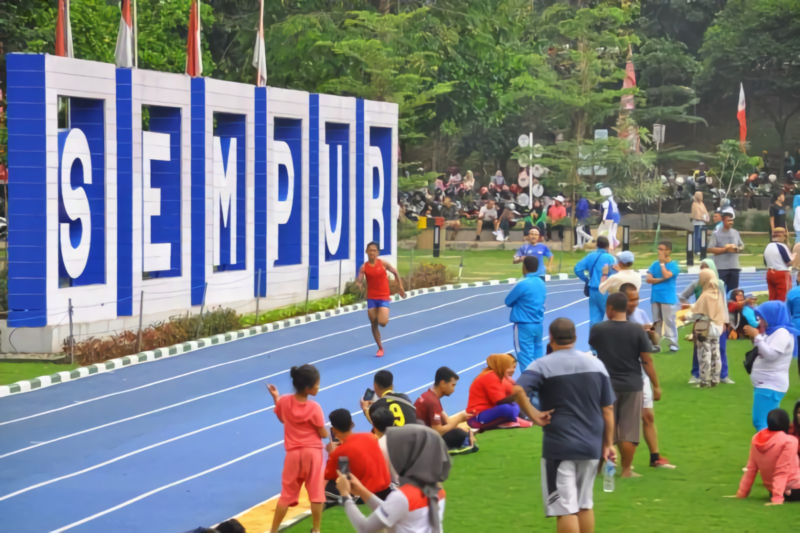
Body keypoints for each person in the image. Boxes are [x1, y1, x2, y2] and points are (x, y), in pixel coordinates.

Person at [517, 318, 616, 533]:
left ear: (551, 337)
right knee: (585, 504)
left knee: (564, 509)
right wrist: (608, 444)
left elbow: (517, 390)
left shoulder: (541, 365)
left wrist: (534, 415)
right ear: (575, 337)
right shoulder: (596, 364)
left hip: (559, 446)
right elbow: (608, 408)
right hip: (591, 445)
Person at [589, 292, 661, 478]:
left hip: (605, 383)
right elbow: (647, 360)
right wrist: (656, 385)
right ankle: (626, 470)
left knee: (604, 427)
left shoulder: (598, 329)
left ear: (610, 309)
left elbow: (594, 348)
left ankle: (598, 468)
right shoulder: (637, 331)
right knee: (628, 430)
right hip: (632, 383)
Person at [336, 425, 450, 532]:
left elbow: (365, 528)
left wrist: (345, 496)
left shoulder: (403, 497)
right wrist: (362, 491)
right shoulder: (436, 488)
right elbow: (393, 510)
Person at [266, 365, 328, 533]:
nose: (318, 387)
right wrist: (327, 431)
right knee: (316, 493)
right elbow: (322, 433)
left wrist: (276, 397)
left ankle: (273, 530)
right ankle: (316, 529)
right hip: (312, 454)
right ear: (308, 387)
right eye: (317, 384)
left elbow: (282, 418)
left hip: (293, 454)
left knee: (286, 495)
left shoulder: (284, 400)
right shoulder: (314, 407)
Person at [619, 283, 675, 468]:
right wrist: (636, 332)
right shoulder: (613, 317)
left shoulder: (640, 314)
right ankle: (623, 462)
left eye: (637, 299)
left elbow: (655, 343)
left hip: (641, 374)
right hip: (622, 376)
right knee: (624, 421)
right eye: (631, 300)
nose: (635, 303)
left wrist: (651, 333)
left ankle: (655, 458)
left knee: (648, 416)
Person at [743, 301, 797, 431]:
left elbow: (771, 355)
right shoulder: (774, 332)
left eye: (762, 317)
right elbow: (763, 349)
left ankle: (769, 444)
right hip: (767, 384)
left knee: (761, 422)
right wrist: (756, 337)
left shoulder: (782, 333)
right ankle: (775, 443)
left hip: (771, 385)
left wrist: (757, 336)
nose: (760, 320)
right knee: (768, 422)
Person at [680, 259, 733, 384]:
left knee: (715, 350)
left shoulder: (717, 286)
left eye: (706, 267)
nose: (703, 270)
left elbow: (722, 304)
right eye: (702, 267)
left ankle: (718, 376)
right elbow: (683, 296)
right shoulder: (699, 284)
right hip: (706, 321)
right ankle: (700, 375)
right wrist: (690, 307)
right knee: (704, 350)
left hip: (713, 321)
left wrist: (725, 321)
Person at [466, 354, 551, 430]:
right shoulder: (490, 376)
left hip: (490, 412)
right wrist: (516, 397)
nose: (513, 370)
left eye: (514, 367)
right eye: (510, 367)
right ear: (502, 365)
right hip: (476, 418)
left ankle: (512, 420)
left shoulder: (503, 377)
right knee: (508, 408)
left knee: (518, 403)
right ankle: (518, 419)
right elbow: (499, 402)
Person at [324, 409, 392, 504]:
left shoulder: (339, 452)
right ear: (352, 424)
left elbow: (329, 475)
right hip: (386, 488)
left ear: (334, 430)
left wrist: (331, 454)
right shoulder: (370, 437)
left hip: (366, 495)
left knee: (328, 487)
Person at [735, 409, 800, 505]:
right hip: (794, 489)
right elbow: (782, 470)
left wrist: (741, 493)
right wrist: (777, 498)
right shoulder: (789, 441)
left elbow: (751, 469)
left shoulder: (757, 438)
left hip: (772, 490)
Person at [356, 242, 407, 357]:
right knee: (373, 323)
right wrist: (358, 285)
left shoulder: (383, 263)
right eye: (370, 250)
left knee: (382, 323)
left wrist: (400, 287)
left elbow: (395, 272)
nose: (372, 252)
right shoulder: (364, 267)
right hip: (371, 298)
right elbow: (359, 280)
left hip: (383, 296)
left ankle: (383, 314)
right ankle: (380, 348)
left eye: (374, 250)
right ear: (366, 252)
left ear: (378, 252)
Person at [414, 366, 477, 455]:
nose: (454, 389)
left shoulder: (429, 395)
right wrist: (460, 419)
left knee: (462, 432)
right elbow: (438, 431)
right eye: (452, 385)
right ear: (443, 383)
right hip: (423, 441)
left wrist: (466, 428)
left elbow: (447, 421)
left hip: (418, 436)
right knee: (459, 435)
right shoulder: (432, 401)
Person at [505, 256, 547, 370]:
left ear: (524, 267)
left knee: (525, 357)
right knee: (538, 357)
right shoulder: (541, 282)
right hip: (538, 324)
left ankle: (528, 381)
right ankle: (540, 380)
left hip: (523, 325)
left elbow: (508, 301)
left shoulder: (522, 283)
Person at [687, 269, 726, 388]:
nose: (700, 280)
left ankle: (704, 381)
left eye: (701, 277)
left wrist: (686, 316)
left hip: (705, 328)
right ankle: (715, 379)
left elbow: (697, 314)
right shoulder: (718, 295)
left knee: (705, 355)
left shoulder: (705, 296)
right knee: (716, 354)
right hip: (717, 327)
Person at [574, 236, 617, 328]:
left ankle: (594, 336)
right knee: (613, 316)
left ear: (597, 245)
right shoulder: (611, 258)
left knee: (594, 318)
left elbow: (577, 269)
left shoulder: (590, 256)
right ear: (608, 246)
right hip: (606, 291)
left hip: (593, 290)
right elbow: (616, 275)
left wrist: (587, 279)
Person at [646, 241, 681, 352]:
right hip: (655, 296)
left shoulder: (674, 265)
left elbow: (667, 274)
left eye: (662, 249)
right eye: (659, 249)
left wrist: (662, 264)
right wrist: (661, 280)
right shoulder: (654, 264)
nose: (659, 251)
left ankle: (673, 344)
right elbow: (648, 279)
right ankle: (656, 344)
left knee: (669, 321)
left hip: (667, 297)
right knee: (657, 322)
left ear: (668, 251)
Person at [709, 212, 745, 293]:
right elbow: (711, 249)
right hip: (721, 268)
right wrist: (725, 249)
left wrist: (737, 249)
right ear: (723, 220)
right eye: (728, 220)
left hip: (734, 267)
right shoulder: (716, 233)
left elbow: (742, 246)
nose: (731, 222)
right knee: (719, 291)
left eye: (732, 220)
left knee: (733, 292)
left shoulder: (735, 232)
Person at [370, 407, 400, 484]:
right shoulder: (406, 435)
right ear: (393, 422)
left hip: (397, 486)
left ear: (374, 426)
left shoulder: (377, 446)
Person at [764, 228, 793, 301]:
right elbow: (788, 262)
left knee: (772, 297)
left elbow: (765, 262)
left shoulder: (768, 246)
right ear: (782, 236)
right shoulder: (782, 246)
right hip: (781, 273)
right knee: (784, 297)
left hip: (770, 273)